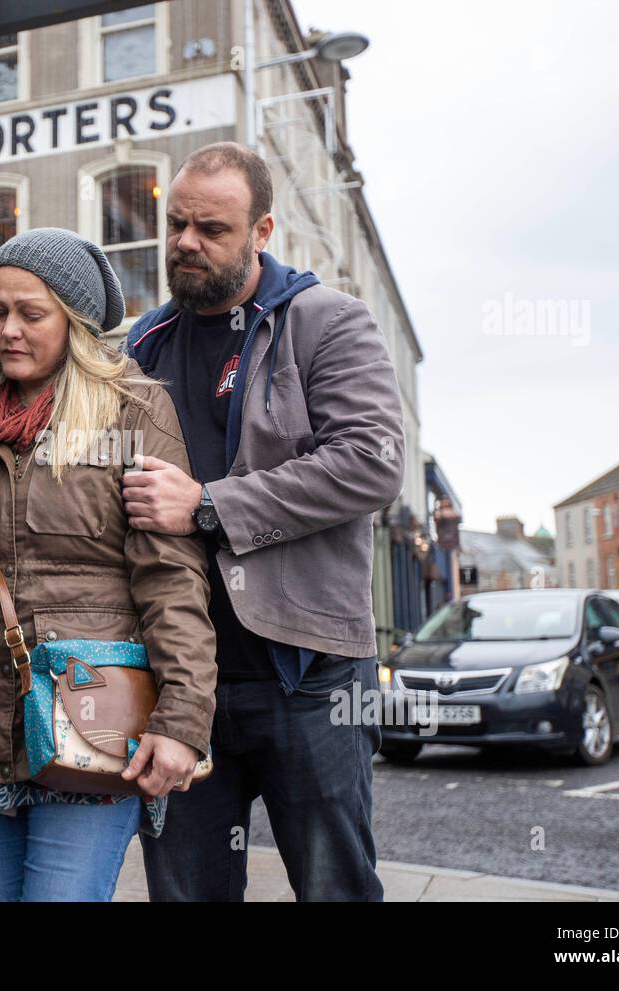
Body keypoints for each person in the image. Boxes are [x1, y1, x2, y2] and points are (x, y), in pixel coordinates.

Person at [120, 142, 406, 901]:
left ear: (263, 230)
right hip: (182, 685)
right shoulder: (139, 347)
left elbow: (371, 462)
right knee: (186, 892)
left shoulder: (328, 322)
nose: (185, 242)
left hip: (308, 674)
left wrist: (209, 504)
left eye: (211, 228)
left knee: (334, 886)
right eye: (175, 223)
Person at [0, 227, 217, 901]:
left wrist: (182, 721)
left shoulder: (133, 407)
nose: (8, 330)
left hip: (91, 714)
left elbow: (172, 579)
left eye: (31, 313)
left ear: (75, 321)